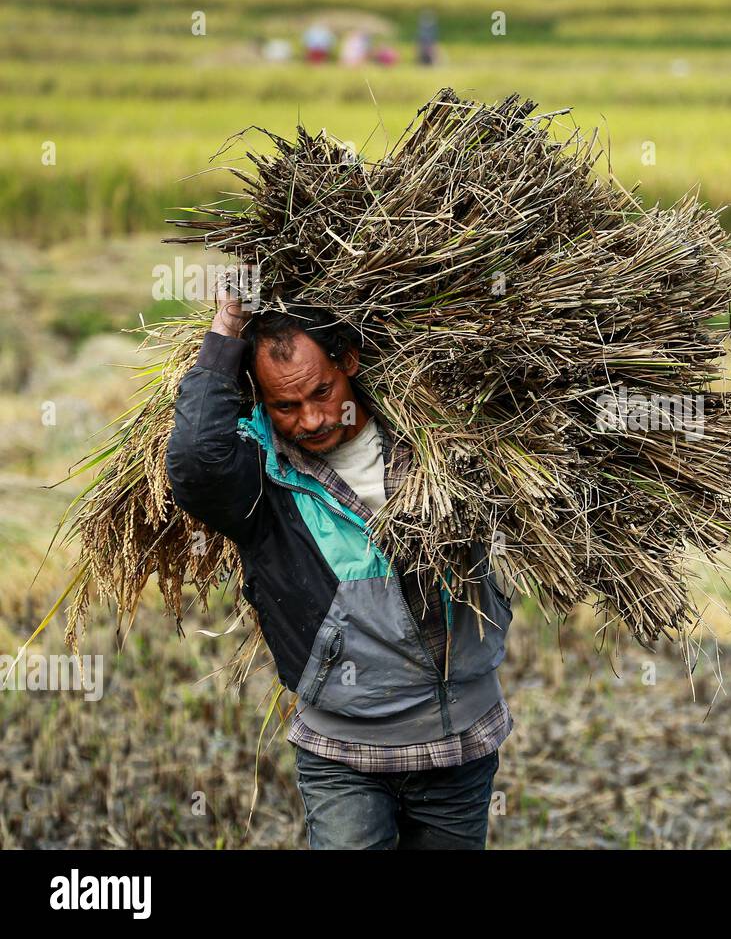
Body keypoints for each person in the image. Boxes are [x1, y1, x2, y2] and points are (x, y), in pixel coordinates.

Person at [166, 283, 515, 849]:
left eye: (321, 392)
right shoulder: (260, 479)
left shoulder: (438, 440)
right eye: (285, 406)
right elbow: (193, 463)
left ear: (348, 362)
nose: (310, 420)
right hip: (342, 755)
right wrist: (227, 330)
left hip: (460, 739)